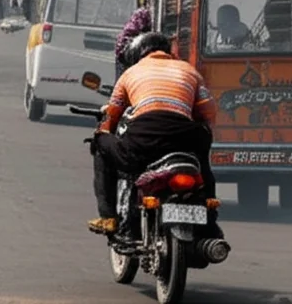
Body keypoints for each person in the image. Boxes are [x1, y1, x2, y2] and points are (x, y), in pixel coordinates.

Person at [88, 32, 222, 240]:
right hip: (188, 137)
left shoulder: (130, 74)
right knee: (202, 167)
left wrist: (103, 133)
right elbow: (209, 112)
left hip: (145, 139)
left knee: (100, 142)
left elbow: (111, 117)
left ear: (137, 55)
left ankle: (108, 217)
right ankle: (210, 221)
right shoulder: (190, 71)